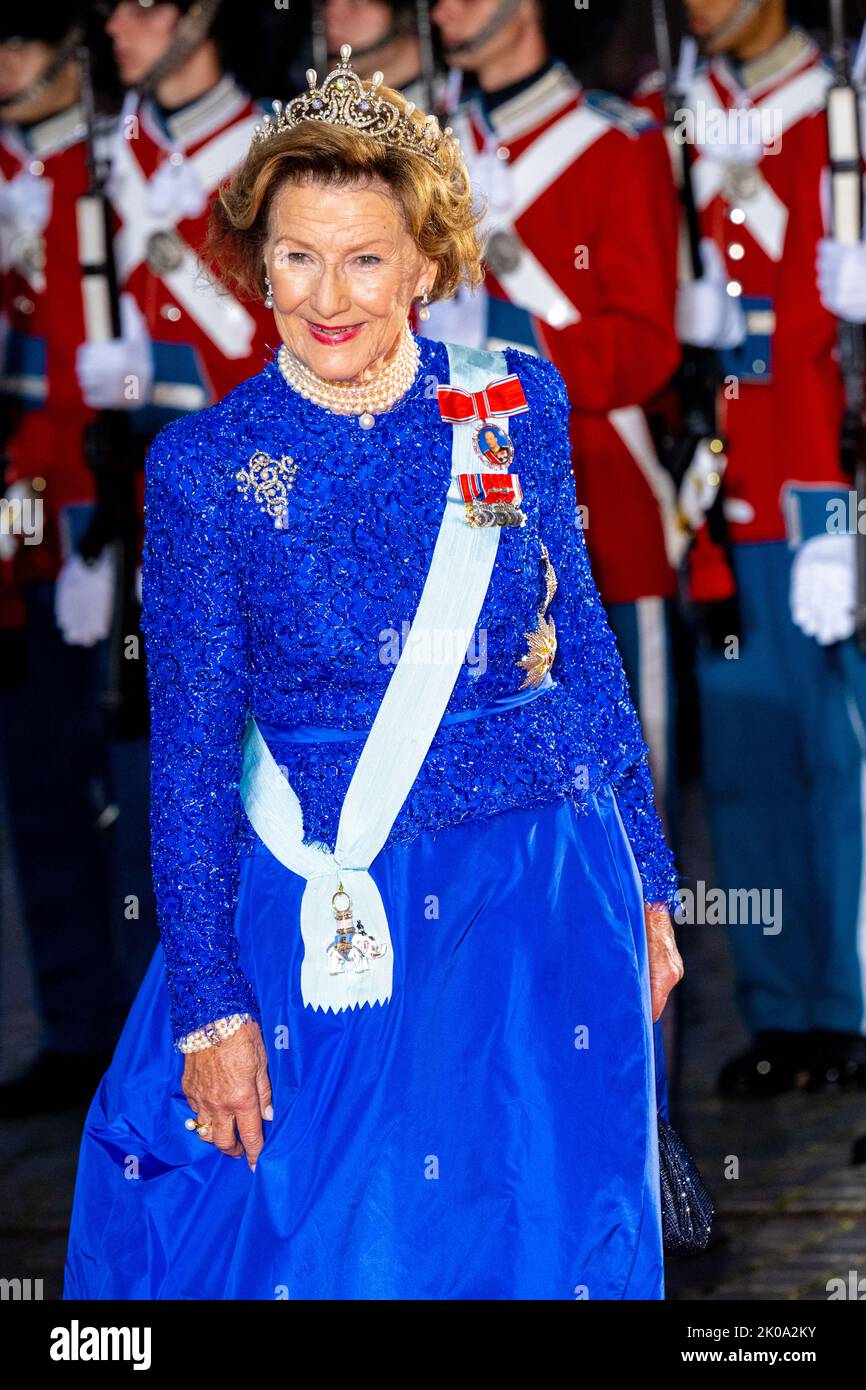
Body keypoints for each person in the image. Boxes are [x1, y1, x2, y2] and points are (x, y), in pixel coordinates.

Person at [63, 45, 683, 1301]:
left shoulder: (513, 402)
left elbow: (583, 657)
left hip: (544, 898)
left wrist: (653, 887)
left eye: (362, 258)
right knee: (342, 1249)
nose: (326, 296)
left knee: (542, 1235)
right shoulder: (207, 469)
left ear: (427, 264)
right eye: (295, 256)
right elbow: (184, 760)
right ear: (255, 261)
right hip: (337, 913)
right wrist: (208, 1008)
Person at [652, 0, 866, 1095]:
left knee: (838, 755)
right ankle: (781, 1009)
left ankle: (851, 1004)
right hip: (717, 490)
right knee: (739, 764)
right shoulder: (676, 114)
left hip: (818, 480)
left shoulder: (839, 104)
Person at [424, 0, 683, 834]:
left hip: (597, 506)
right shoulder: (424, 152)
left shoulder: (619, 144)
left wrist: (503, 341)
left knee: (623, 823)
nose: (441, 9)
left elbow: (643, 350)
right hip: (457, 520)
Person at [0, 8, 134, 1115]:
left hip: (105, 517)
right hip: (17, 520)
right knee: (37, 774)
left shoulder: (122, 167)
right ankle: (71, 1018)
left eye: (22, 40)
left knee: (133, 785)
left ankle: (139, 1017)